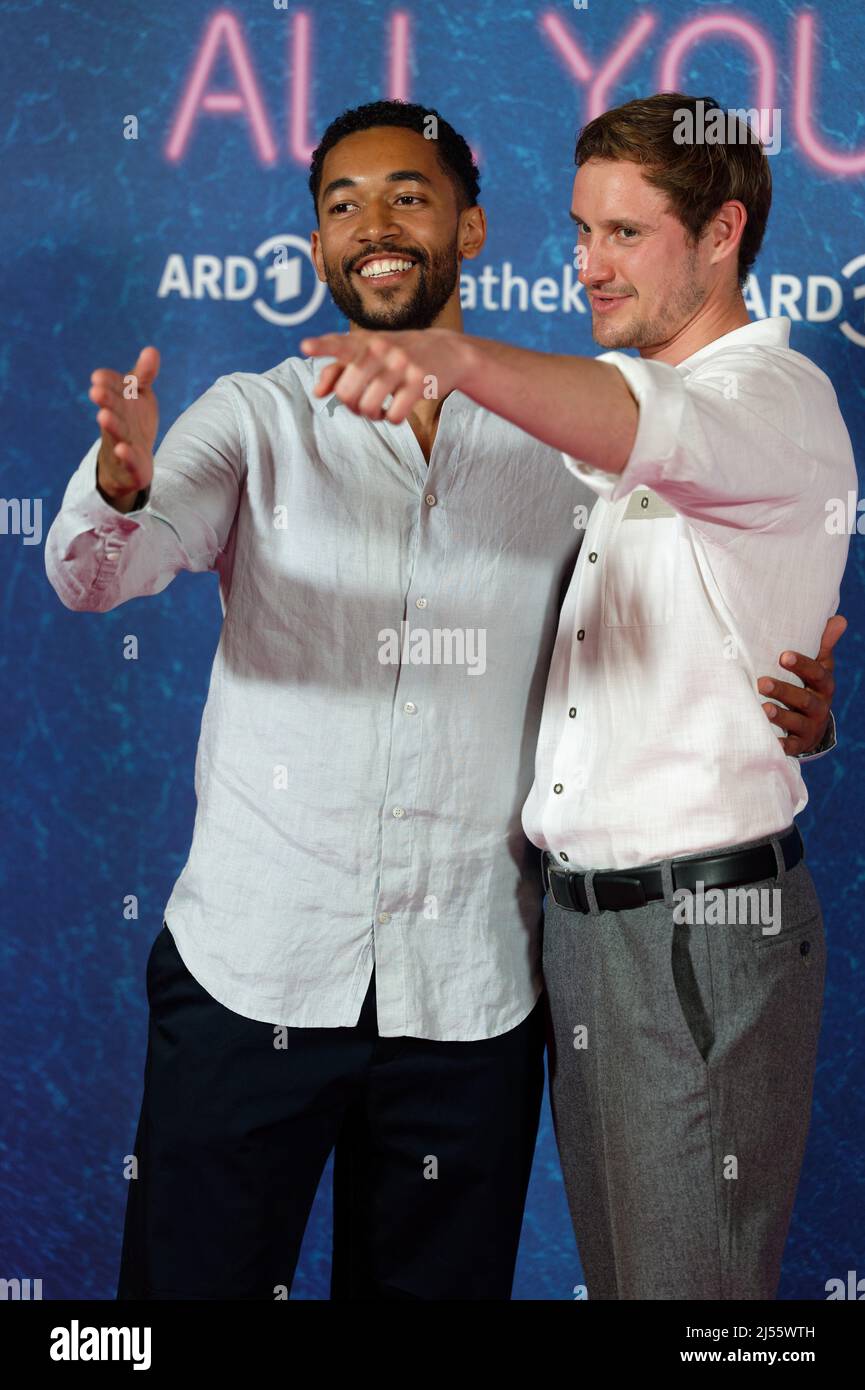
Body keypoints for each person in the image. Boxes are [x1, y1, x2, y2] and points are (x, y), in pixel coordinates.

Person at [46, 100, 840, 1301]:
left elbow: (686, 515)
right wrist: (117, 486)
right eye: (340, 203)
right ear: (312, 240)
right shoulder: (254, 418)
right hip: (256, 974)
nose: (372, 225)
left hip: (473, 997)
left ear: (469, 230)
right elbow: (99, 570)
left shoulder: (569, 437)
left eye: (407, 196)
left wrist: (787, 708)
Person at [301, 93, 855, 1300]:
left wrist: (445, 351)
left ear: (722, 234)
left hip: (693, 935)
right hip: (597, 936)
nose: (588, 266)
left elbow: (637, 420)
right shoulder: (648, 406)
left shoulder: (766, 401)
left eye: (626, 234)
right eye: (579, 230)